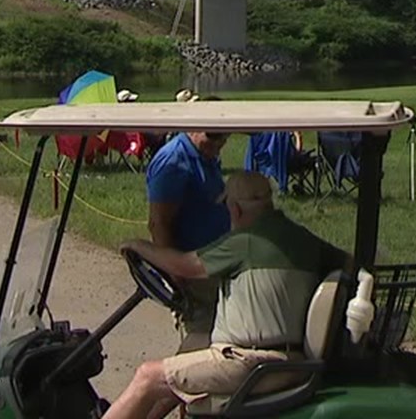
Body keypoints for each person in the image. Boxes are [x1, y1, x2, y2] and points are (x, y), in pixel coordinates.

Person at [104, 171, 352, 419]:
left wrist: (139, 246)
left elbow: (184, 265)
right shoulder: (303, 238)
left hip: (251, 362)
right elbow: (351, 263)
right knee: (191, 346)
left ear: (235, 209)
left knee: (147, 377)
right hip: (288, 360)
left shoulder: (245, 241)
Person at [145, 124, 231, 353]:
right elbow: (159, 223)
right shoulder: (174, 161)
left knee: (219, 331)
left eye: (224, 136)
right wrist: (175, 274)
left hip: (213, 264)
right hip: (192, 269)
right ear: (194, 128)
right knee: (203, 336)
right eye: (212, 135)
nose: (219, 142)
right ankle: (182, 384)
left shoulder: (205, 155)